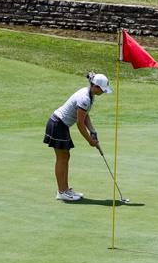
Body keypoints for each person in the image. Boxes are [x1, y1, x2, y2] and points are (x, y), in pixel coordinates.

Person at [43, 73, 111, 202]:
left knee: (65, 157)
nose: (103, 92)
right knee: (62, 158)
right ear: (95, 86)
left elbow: (85, 116)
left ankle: (65, 189)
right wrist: (90, 141)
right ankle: (62, 192)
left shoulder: (90, 94)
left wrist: (92, 131)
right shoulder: (84, 98)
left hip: (60, 125)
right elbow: (80, 124)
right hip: (58, 124)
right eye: (102, 89)